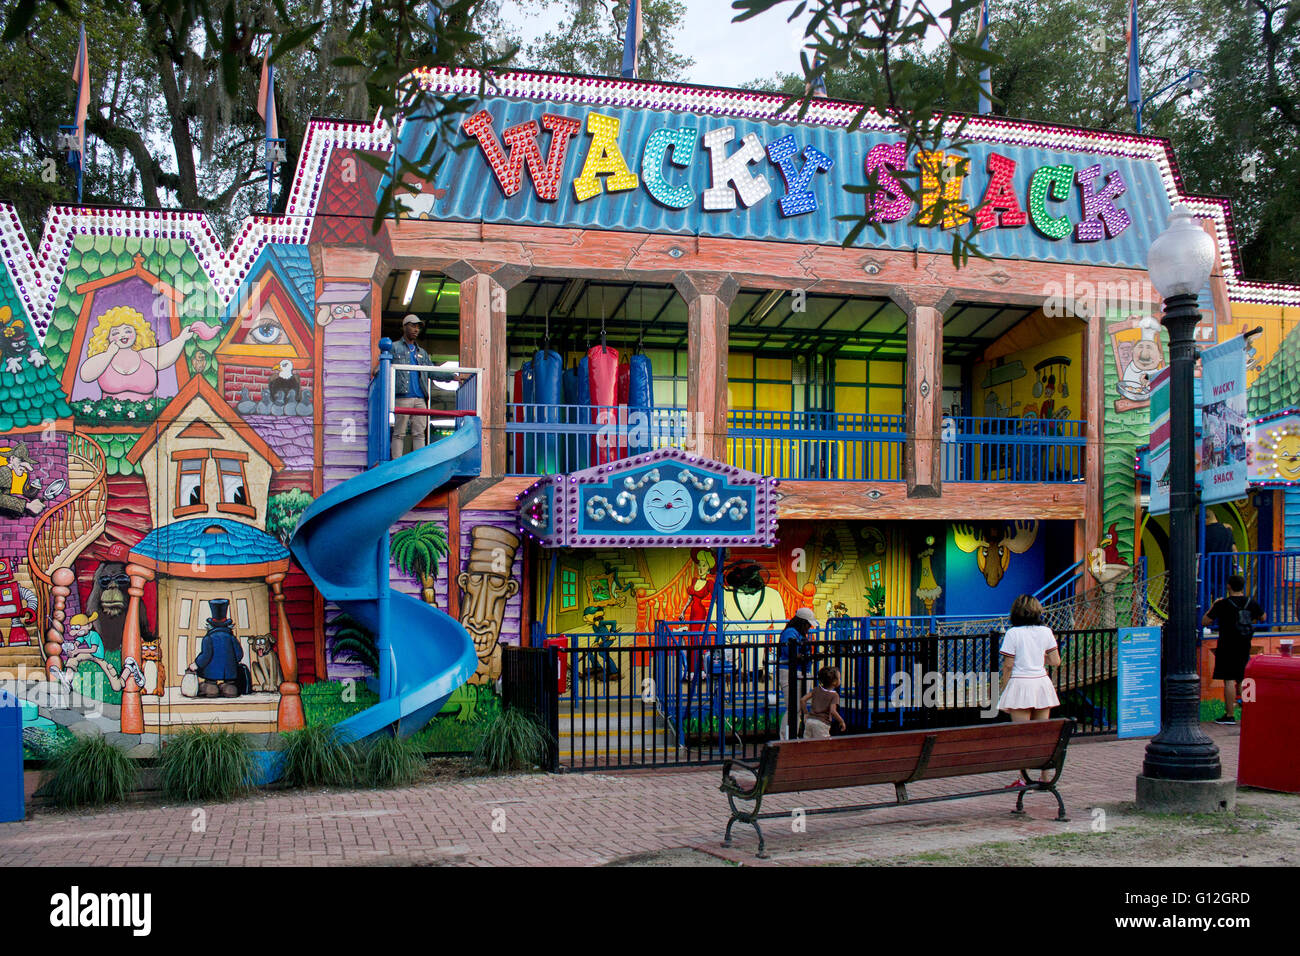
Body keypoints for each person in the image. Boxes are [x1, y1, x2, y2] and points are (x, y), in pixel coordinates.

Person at [996, 594, 1061, 784]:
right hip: (1041, 684)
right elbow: (1056, 661)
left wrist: (1004, 687)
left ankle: (1022, 777)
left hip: (1020, 684)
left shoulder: (1013, 634)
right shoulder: (1046, 632)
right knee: (1041, 733)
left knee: (1022, 735)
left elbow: (1008, 664)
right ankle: (1045, 776)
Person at [1202, 573, 1264, 725]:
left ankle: (1229, 715)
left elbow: (1205, 621)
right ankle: (1249, 713)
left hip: (1227, 645)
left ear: (1228, 586)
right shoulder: (1251, 602)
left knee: (1229, 680)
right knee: (1244, 677)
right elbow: (1263, 617)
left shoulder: (1222, 604)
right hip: (1244, 644)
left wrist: (1213, 604)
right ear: (1242, 586)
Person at [390, 314, 433, 458]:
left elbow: (433, 371)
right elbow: (382, 367)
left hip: (420, 398)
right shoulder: (394, 347)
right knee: (399, 433)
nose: (416, 329)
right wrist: (376, 371)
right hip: (403, 396)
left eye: (418, 327)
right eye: (412, 325)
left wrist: (453, 376)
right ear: (404, 327)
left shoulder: (422, 353)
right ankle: (396, 462)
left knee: (419, 433)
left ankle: (418, 463)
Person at [187, 598, 244, 698]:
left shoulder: (208, 638)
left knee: (210, 687)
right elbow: (239, 655)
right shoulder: (231, 638)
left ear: (210, 625)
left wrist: (196, 664)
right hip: (229, 673)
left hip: (211, 673)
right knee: (230, 687)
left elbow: (205, 656)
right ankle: (229, 688)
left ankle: (212, 689)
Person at [772, 608, 817, 732]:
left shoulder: (798, 633)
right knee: (794, 708)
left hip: (800, 671)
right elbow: (790, 652)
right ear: (802, 623)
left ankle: (791, 736)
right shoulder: (791, 633)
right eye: (808, 624)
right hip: (791, 671)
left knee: (796, 708)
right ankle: (786, 737)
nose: (809, 627)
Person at [800, 665, 847, 739]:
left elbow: (802, 700)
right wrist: (841, 721)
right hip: (822, 723)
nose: (840, 680)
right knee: (823, 745)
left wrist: (806, 713)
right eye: (839, 678)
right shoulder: (834, 695)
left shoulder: (816, 689)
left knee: (807, 744)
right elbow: (833, 711)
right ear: (834, 682)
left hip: (809, 721)